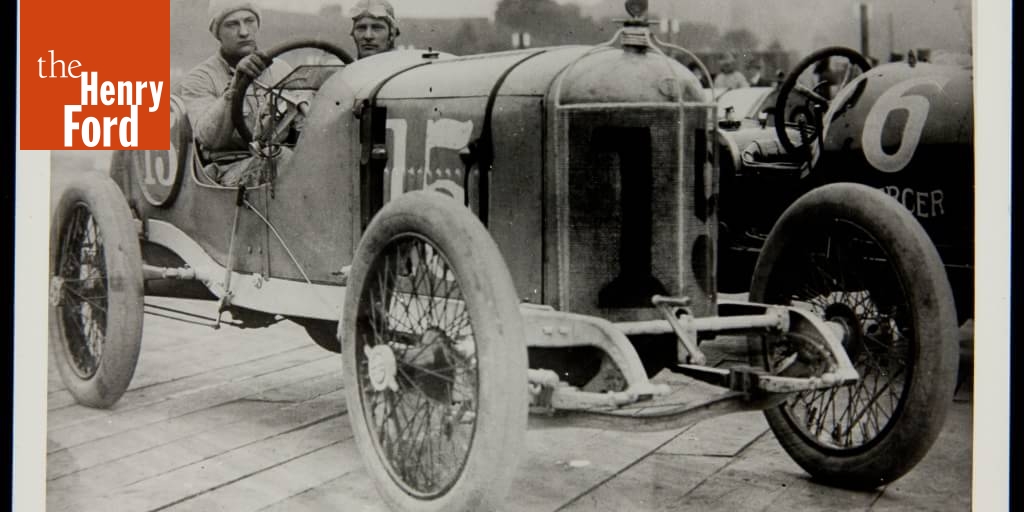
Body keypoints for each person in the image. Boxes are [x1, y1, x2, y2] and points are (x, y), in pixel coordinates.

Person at [178, 1, 295, 187]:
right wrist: (236, 85)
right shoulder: (199, 78)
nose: (244, 32)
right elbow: (210, 139)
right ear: (217, 33)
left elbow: (305, 127)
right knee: (281, 160)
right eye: (232, 24)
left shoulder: (282, 71)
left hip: (279, 164)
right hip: (226, 173)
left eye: (249, 21)